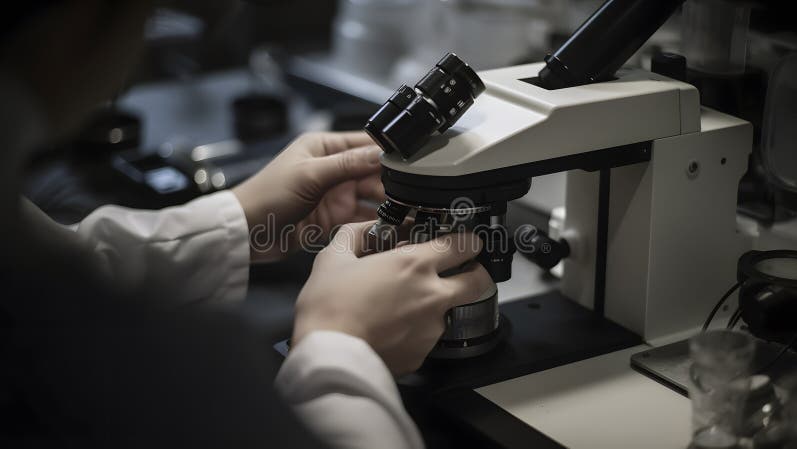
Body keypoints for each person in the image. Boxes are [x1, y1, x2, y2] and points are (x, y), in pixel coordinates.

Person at [0, 1, 494, 448]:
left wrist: (234, 216)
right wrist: (341, 349)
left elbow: (57, 254)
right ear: (84, 20)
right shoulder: (155, 366)